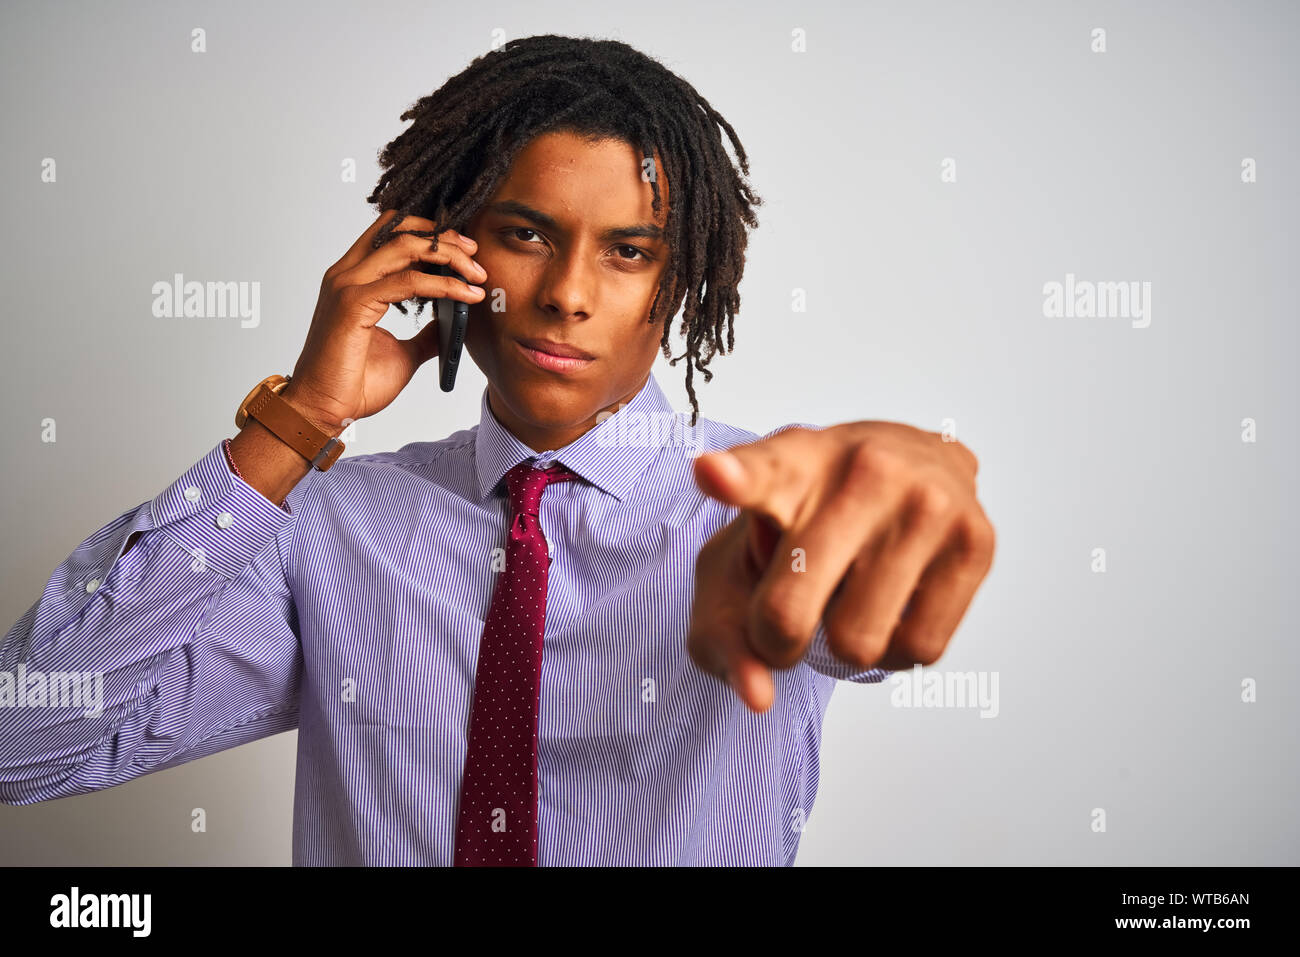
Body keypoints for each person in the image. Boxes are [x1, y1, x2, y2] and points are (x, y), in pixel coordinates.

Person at [0, 34, 994, 865]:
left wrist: (915, 485)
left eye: (629, 250)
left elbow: (866, 565)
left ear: (682, 281)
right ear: (442, 246)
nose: (568, 291)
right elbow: (23, 744)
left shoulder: (759, 506)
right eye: (525, 233)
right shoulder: (330, 525)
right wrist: (297, 418)